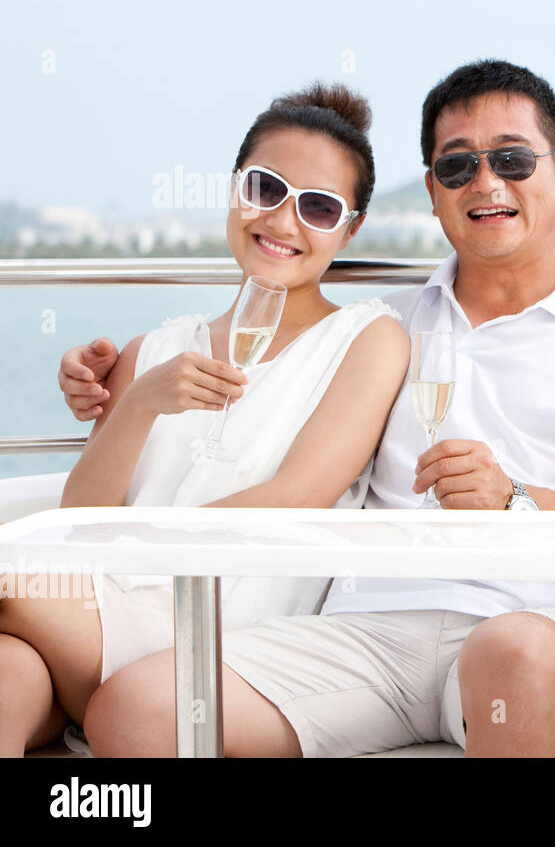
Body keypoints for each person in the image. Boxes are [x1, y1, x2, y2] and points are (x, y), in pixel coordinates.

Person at [62, 60, 555, 758]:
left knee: (512, 660)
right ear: (431, 191)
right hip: (365, 626)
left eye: (511, 159)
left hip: (535, 622)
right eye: (457, 167)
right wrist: (108, 381)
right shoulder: (378, 325)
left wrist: (517, 500)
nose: (485, 183)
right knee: (136, 711)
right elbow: (259, 380)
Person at [3, 84, 409, 757]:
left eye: (317, 206)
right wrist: (137, 403)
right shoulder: (156, 351)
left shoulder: (366, 339)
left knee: (10, 586)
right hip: (98, 612)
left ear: (351, 229)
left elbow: (297, 497)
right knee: (7, 668)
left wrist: (143, 551)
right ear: (233, 190)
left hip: (221, 627)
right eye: (265, 187)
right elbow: (82, 512)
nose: (283, 221)